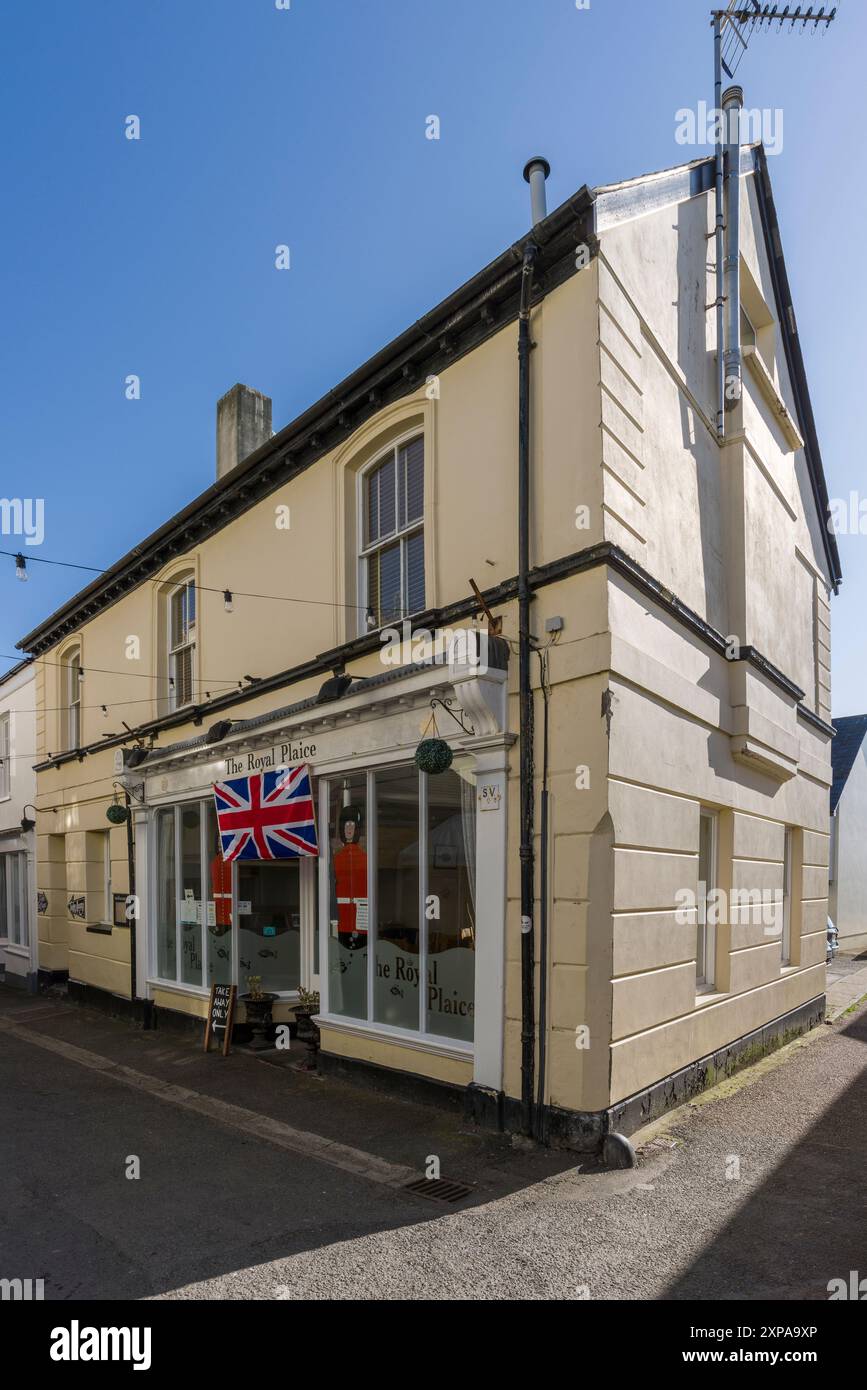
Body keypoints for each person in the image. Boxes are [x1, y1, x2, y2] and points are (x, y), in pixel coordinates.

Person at [331, 804, 367, 949]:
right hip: (340, 919)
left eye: (352, 825)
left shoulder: (365, 858)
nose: (349, 829)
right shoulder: (335, 859)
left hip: (361, 919)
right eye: (346, 825)